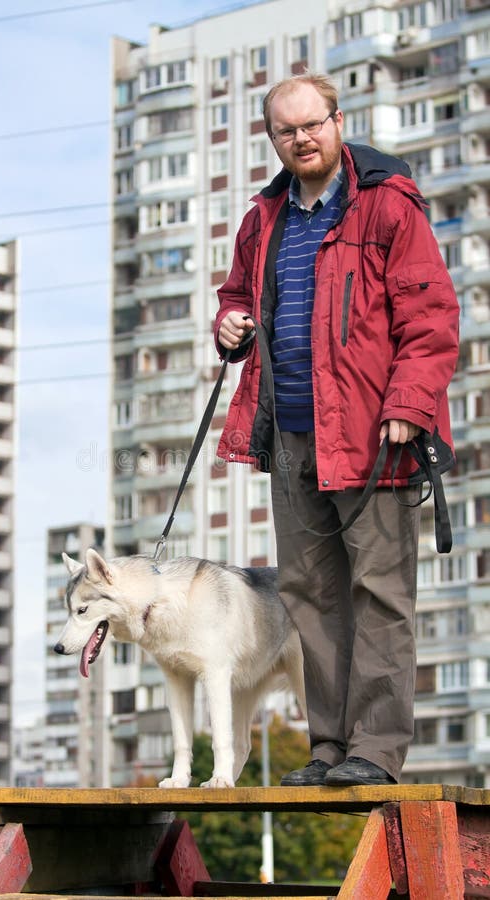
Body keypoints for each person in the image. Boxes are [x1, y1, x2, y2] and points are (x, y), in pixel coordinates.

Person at [214, 72, 460, 786]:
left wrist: (409, 404)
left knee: (378, 593)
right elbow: (237, 295)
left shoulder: (387, 203)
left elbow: (431, 317)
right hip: (291, 436)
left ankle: (374, 751)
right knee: (309, 593)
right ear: (272, 138)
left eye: (312, 124)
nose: (302, 139)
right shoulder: (264, 218)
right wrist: (228, 324)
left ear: (338, 120)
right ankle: (328, 748)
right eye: (287, 130)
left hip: (375, 434)